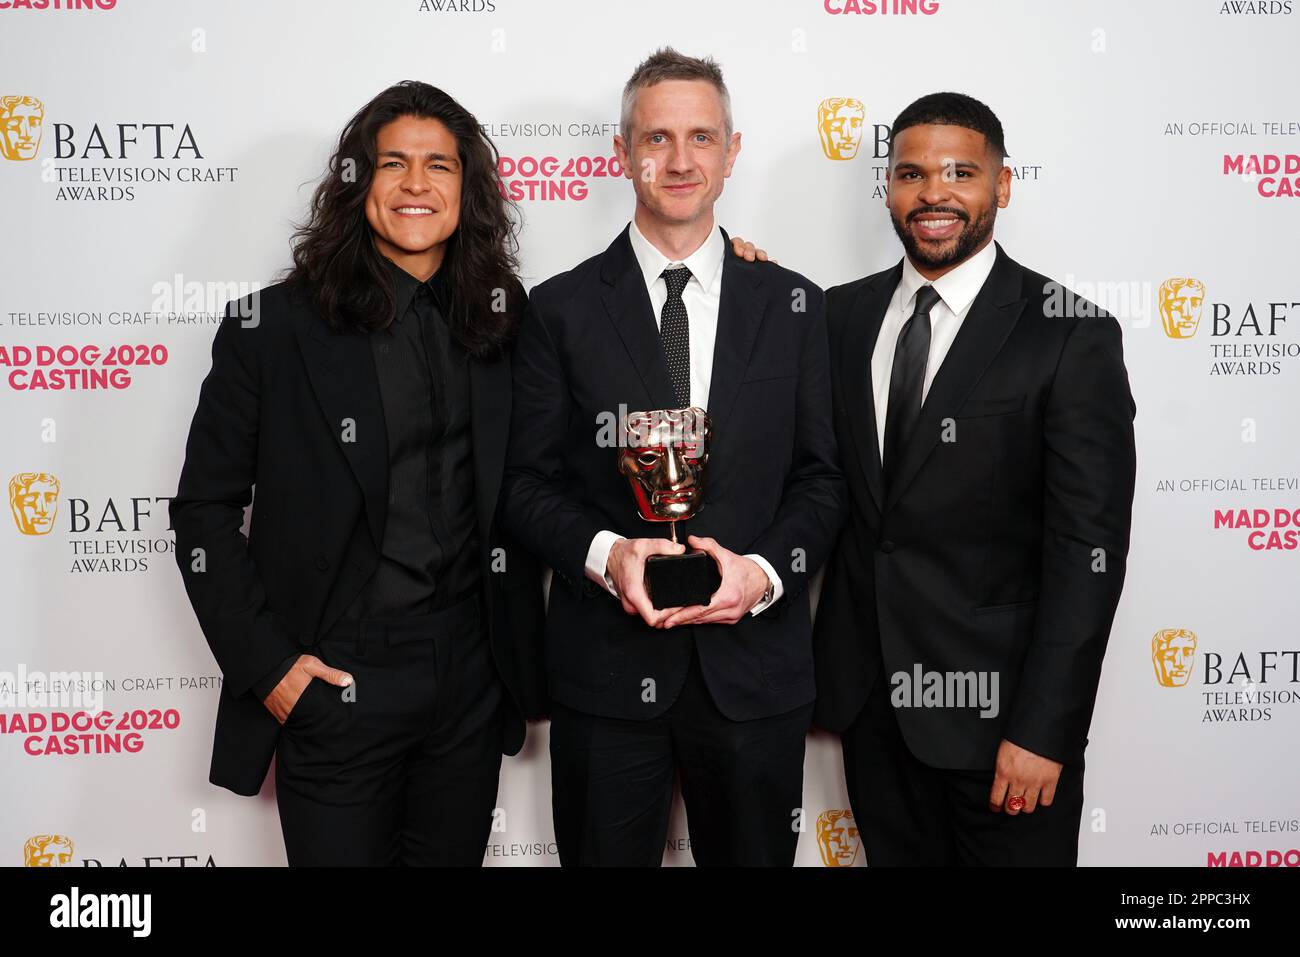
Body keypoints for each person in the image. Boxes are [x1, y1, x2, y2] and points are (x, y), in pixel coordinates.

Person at [171, 81, 546, 866]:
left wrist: (736, 263)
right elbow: (203, 511)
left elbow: (616, 329)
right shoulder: (269, 330)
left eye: (440, 165)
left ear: (466, 187)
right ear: (355, 183)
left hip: (471, 677)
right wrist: (271, 669)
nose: (417, 184)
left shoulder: (507, 317)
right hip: (338, 678)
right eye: (393, 164)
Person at [501, 48, 846, 866]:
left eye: (701, 137)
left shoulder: (796, 305)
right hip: (606, 678)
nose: (680, 160)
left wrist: (761, 572)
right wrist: (608, 554)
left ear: (732, 152)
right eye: (657, 138)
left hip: (754, 676)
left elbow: (824, 480)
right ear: (622, 153)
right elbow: (524, 484)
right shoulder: (558, 310)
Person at [812, 92, 1136, 865]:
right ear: (887, 187)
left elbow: (1087, 554)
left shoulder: (1070, 333)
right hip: (874, 716)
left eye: (961, 172)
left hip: (1003, 733)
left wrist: (1042, 729)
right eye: (912, 173)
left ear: (1003, 184)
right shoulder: (836, 317)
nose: (934, 193)